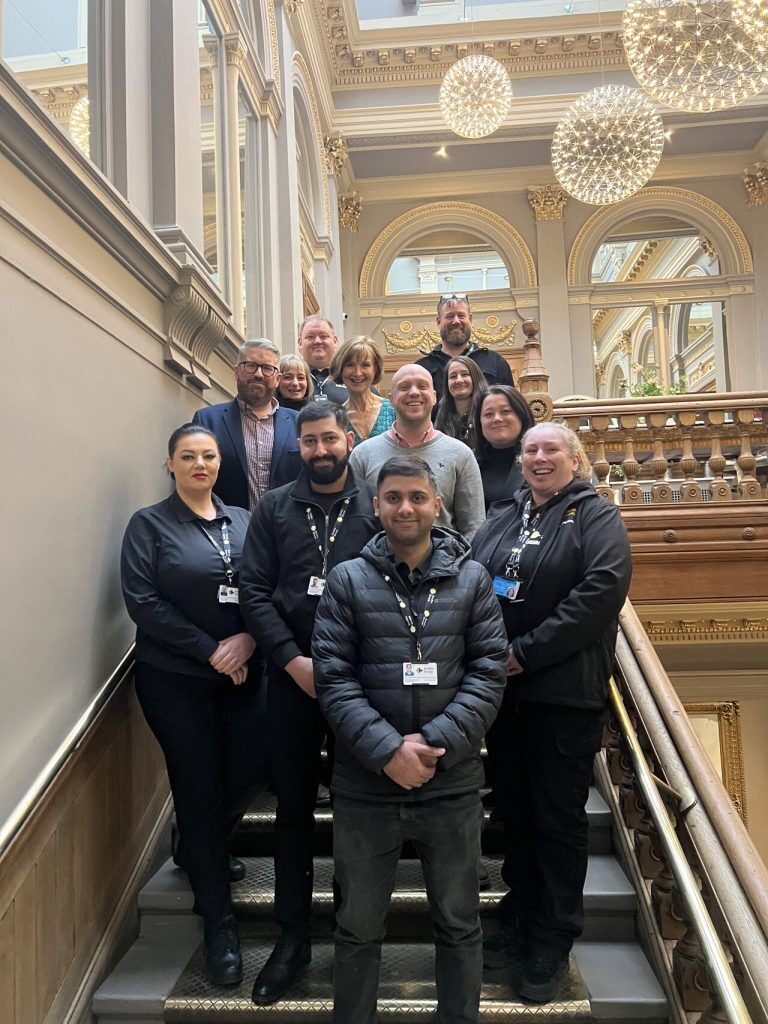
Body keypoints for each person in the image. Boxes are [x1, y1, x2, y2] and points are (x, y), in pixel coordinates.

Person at [312, 455, 508, 1024]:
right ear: (376, 505)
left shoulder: (472, 579)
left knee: (459, 923)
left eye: (417, 497)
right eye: (393, 497)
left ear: (437, 504)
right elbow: (333, 678)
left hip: (451, 785)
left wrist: (432, 746)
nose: (406, 508)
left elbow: (489, 671)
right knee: (356, 928)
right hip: (365, 787)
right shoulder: (347, 579)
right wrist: (388, 752)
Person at [471, 421, 632, 1003]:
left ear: (575, 459)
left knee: (556, 820)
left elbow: (600, 592)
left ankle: (553, 937)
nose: (539, 458)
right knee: (513, 811)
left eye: (551, 449)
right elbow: (472, 578)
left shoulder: (596, 516)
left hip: (562, 694)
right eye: (531, 450)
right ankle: (520, 913)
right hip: (503, 694)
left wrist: (526, 652)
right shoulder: (504, 514)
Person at [238, 401, 379, 1005]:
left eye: (330, 439)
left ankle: (353, 936)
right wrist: (293, 661)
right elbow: (253, 591)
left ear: (349, 439)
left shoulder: (377, 505)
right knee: (293, 813)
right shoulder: (273, 508)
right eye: (310, 441)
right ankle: (291, 939)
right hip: (290, 682)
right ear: (298, 446)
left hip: (363, 687)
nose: (321, 450)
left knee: (357, 815)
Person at [120, 424, 268, 987]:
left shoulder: (244, 521)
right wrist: (210, 650)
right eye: (188, 456)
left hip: (245, 675)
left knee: (252, 770)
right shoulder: (149, 525)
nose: (200, 464)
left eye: (208, 455)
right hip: (175, 679)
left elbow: (265, 586)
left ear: (219, 463)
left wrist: (248, 640)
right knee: (199, 789)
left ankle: (195, 846)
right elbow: (142, 601)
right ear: (170, 464)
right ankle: (219, 924)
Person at [349, 363, 485, 541]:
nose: (414, 392)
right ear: (391, 399)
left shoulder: (460, 454)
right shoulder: (362, 455)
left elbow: (474, 526)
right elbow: (354, 525)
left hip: (448, 557)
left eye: (422, 386)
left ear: (434, 397)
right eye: (404, 387)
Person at [193, 339, 301, 510]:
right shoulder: (207, 420)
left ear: (278, 379)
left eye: (267, 368)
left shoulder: (299, 423)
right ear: (236, 372)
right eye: (250, 365)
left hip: (286, 524)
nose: (258, 374)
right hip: (227, 523)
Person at [417, 293, 513, 404]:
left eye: (461, 315)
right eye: (450, 316)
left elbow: (510, 405)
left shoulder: (495, 362)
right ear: (439, 322)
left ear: (470, 319)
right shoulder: (422, 368)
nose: (456, 321)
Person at [475, 385, 536, 512]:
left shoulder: (540, 458)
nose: (497, 419)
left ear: (522, 416)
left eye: (505, 411)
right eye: (489, 414)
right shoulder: (469, 461)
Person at [329, 335, 395, 445]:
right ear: (340, 370)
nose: (358, 373)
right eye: (350, 365)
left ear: (375, 369)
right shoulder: (336, 418)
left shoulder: (393, 410)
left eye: (365, 365)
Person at [434, 354, 488, 447]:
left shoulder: (488, 412)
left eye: (465, 374)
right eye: (453, 376)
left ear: (475, 377)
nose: (459, 380)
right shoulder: (440, 414)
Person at [297, 314, 349, 404]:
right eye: (310, 337)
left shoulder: (352, 377)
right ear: (300, 343)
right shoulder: (288, 381)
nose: (317, 341)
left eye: (323, 336)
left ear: (335, 341)